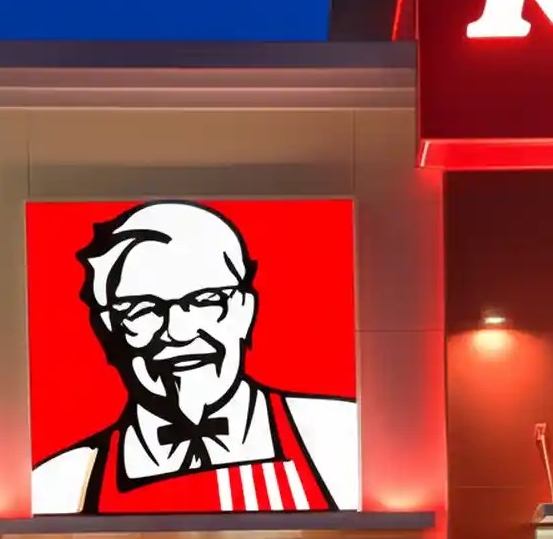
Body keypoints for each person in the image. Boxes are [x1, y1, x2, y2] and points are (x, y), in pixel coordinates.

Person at [32, 201, 359, 514]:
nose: (179, 331)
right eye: (143, 309)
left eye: (206, 300)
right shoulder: (62, 485)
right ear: (108, 329)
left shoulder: (339, 438)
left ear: (246, 310)